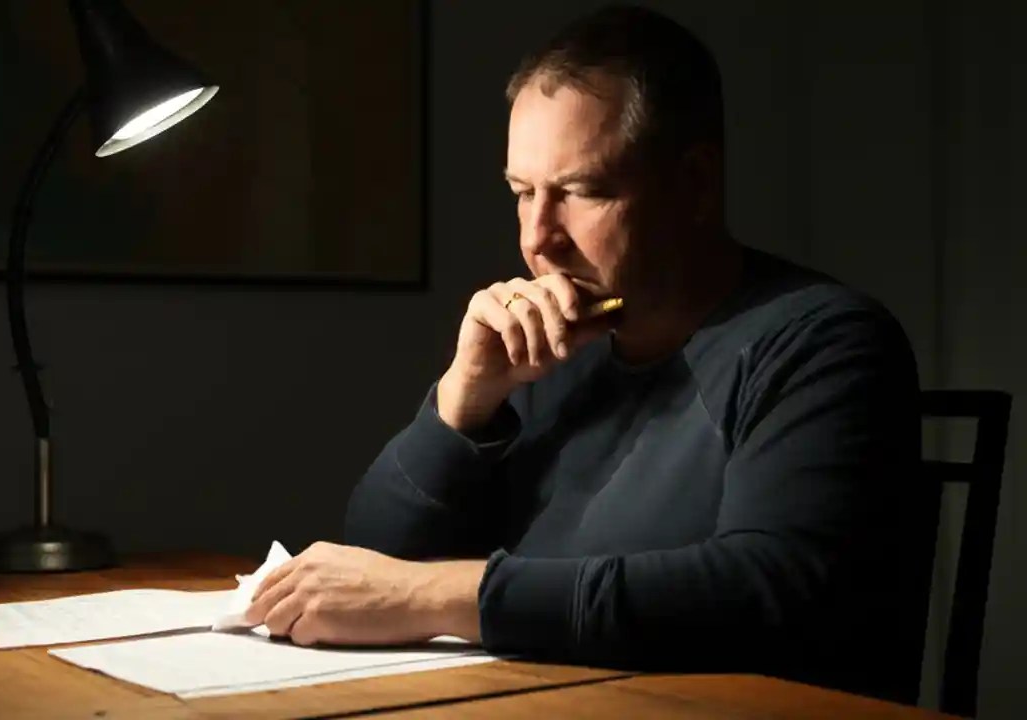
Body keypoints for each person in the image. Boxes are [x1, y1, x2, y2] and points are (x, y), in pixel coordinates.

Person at [245, 4, 938, 704]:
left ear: (695, 184)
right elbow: (377, 561)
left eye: (580, 192)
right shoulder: (553, 351)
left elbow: (768, 587)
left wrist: (449, 594)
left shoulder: (826, 341)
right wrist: (463, 401)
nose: (538, 239)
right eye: (522, 194)